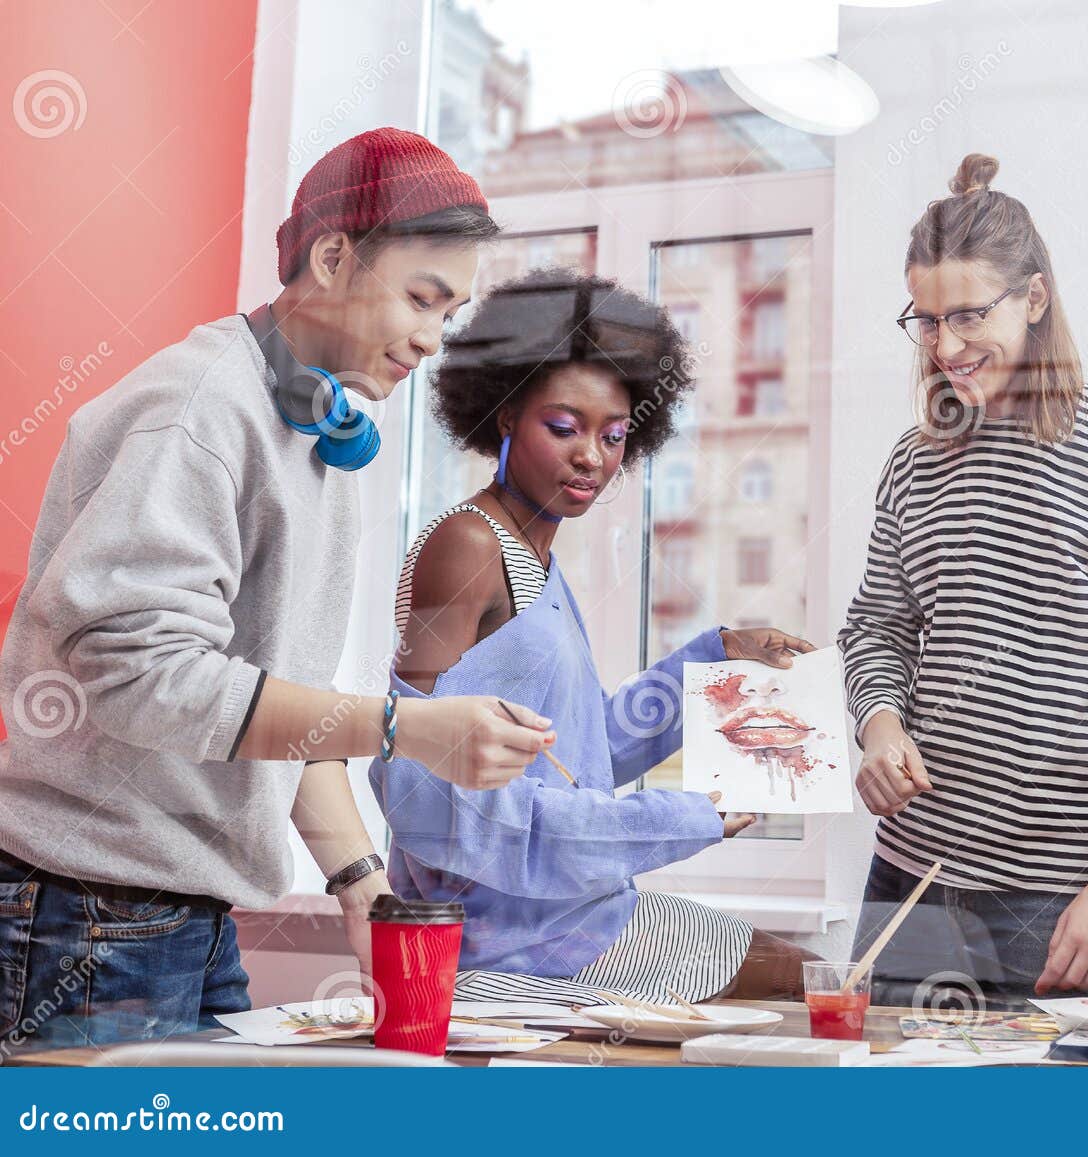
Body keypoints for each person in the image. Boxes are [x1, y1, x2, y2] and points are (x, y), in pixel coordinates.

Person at [0, 128, 554, 1048]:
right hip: (88, 920)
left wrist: (365, 891)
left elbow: (269, 706)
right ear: (333, 257)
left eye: (449, 313)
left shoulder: (314, 429)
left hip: (184, 920)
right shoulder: (201, 412)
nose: (431, 337)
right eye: (422, 298)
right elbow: (144, 678)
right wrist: (403, 727)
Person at [838, 154, 1088, 1009]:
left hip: (1056, 897)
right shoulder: (915, 461)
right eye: (926, 320)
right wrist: (878, 723)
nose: (946, 346)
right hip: (910, 872)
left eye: (969, 315)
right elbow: (877, 626)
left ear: (1036, 300)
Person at [371, 267, 817, 1005]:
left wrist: (717, 660)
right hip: (517, 943)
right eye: (564, 427)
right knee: (817, 985)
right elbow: (421, 791)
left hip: (578, 918)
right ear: (505, 415)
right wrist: (686, 815)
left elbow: (580, 759)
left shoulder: (533, 558)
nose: (592, 457)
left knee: (819, 985)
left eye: (613, 436)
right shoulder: (470, 546)